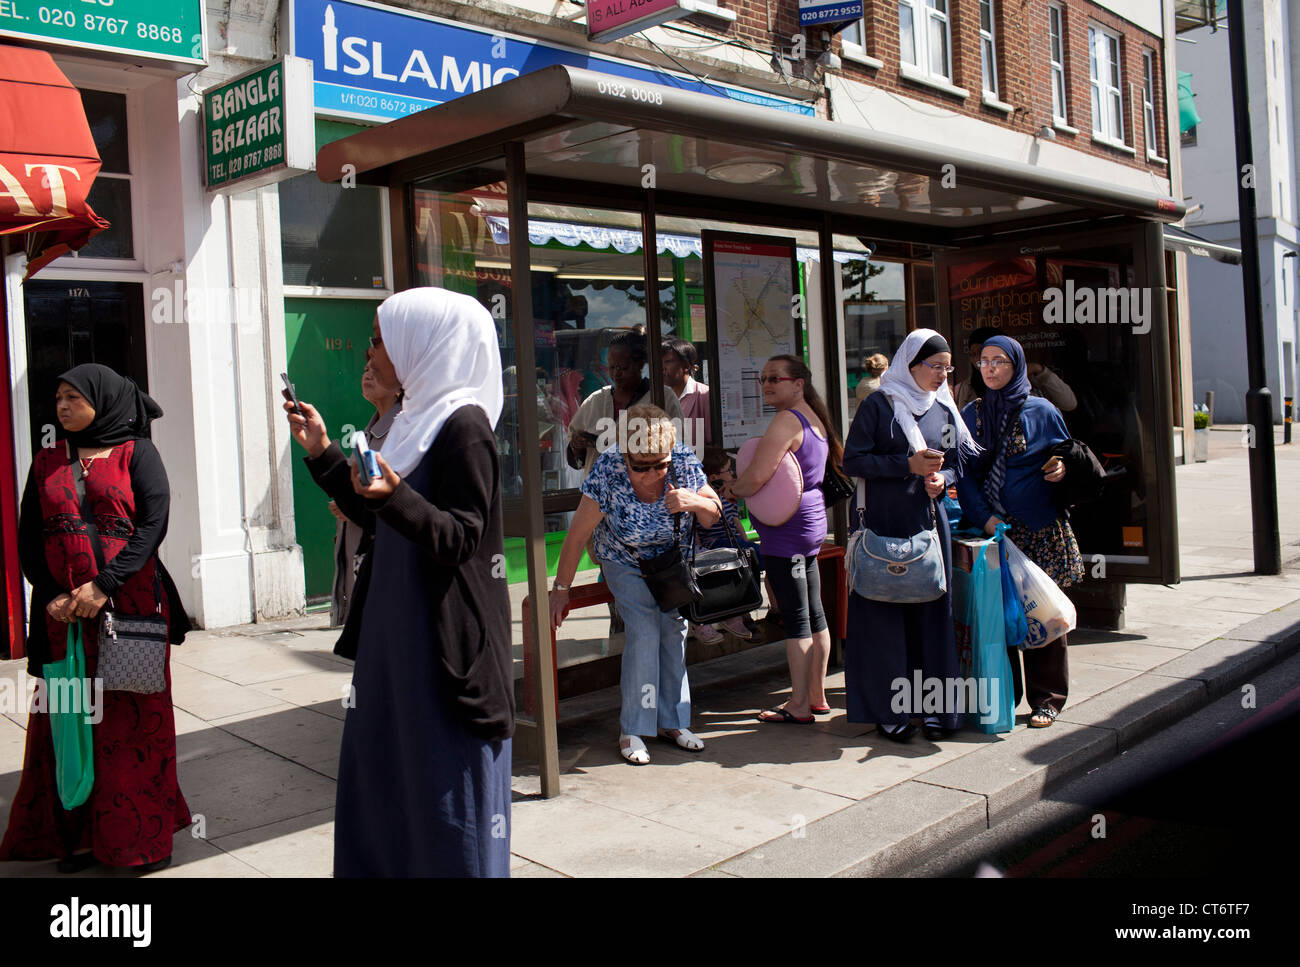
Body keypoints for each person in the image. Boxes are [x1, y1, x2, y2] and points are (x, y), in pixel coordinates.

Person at [287, 287, 513, 876]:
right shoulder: (416, 418)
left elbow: (462, 537)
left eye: (381, 339)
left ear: (425, 344)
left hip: (437, 640)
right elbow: (379, 516)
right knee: (386, 782)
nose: (371, 351)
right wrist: (325, 456)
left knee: (441, 790)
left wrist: (396, 495)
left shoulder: (465, 426)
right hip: (394, 631)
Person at [1, 364, 192, 873]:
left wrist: (102, 586)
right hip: (63, 620)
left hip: (126, 613)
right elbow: (28, 537)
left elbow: (152, 526)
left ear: (102, 401)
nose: (62, 406)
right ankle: (76, 840)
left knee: (130, 726)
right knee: (69, 724)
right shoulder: (45, 462)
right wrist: (52, 595)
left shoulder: (137, 453)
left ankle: (136, 844)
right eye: (57, 397)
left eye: (73, 397)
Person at [550, 404, 723, 765]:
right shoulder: (609, 467)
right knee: (644, 628)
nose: (650, 475)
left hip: (670, 561)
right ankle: (634, 727)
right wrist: (561, 589)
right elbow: (579, 532)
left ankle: (674, 721)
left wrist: (693, 501)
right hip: (622, 557)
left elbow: (714, 512)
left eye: (659, 464)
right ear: (625, 455)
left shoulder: (682, 459)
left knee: (673, 629)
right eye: (640, 466)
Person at [842, 330, 981, 742]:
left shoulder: (944, 408)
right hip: (881, 522)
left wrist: (942, 478)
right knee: (883, 616)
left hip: (926, 520)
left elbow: (959, 462)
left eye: (947, 367)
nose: (942, 375)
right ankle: (889, 711)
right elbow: (853, 460)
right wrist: (908, 466)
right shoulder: (878, 405)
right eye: (935, 366)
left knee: (933, 615)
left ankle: (937, 710)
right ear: (910, 365)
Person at [958, 334, 1082, 729]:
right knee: (1001, 617)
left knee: (1042, 616)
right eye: (985, 361)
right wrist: (986, 517)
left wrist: (1061, 470)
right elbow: (965, 476)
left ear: (1017, 366)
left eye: (1000, 361)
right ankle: (1006, 697)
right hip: (994, 532)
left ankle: (1048, 700)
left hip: (1038, 529)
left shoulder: (1041, 410)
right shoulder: (972, 415)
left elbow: (1067, 454)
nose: (991, 368)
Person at [725, 355, 839, 723]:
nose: (767, 385)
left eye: (775, 378)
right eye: (763, 378)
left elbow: (757, 477)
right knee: (815, 613)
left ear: (798, 383)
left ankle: (799, 705)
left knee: (796, 620)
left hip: (787, 531)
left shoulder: (787, 420)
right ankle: (817, 696)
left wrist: (730, 489)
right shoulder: (814, 417)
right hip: (809, 523)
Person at [328, 353, 403, 628]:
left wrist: (353, 504)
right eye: (364, 368)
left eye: (375, 368)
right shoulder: (369, 431)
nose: (367, 374)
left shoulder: (403, 430)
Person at [566, 330, 684, 479]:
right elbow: (574, 454)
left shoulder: (662, 397)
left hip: (646, 491)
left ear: (640, 365)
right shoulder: (595, 401)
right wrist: (577, 445)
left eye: (623, 368)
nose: (616, 373)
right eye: (612, 367)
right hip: (601, 494)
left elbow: (679, 445)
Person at [694, 447, 763, 643]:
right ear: (715, 476)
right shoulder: (703, 497)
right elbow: (698, 529)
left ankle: (743, 609)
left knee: (753, 556)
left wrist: (746, 540)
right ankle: (740, 611)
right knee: (750, 557)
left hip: (732, 541)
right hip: (716, 543)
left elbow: (735, 521)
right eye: (728, 470)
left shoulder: (728, 495)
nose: (732, 473)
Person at [955, 326, 1076, 412]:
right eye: (972, 354)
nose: (977, 360)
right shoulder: (969, 390)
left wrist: (1039, 371)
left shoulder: (1040, 407)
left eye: (981, 352)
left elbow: (1069, 403)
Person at [662, 337, 711, 446]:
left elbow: (712, 443)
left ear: (686, 366)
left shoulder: (704, 395)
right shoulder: (659, 395)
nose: (662, 368)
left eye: (668, 362)